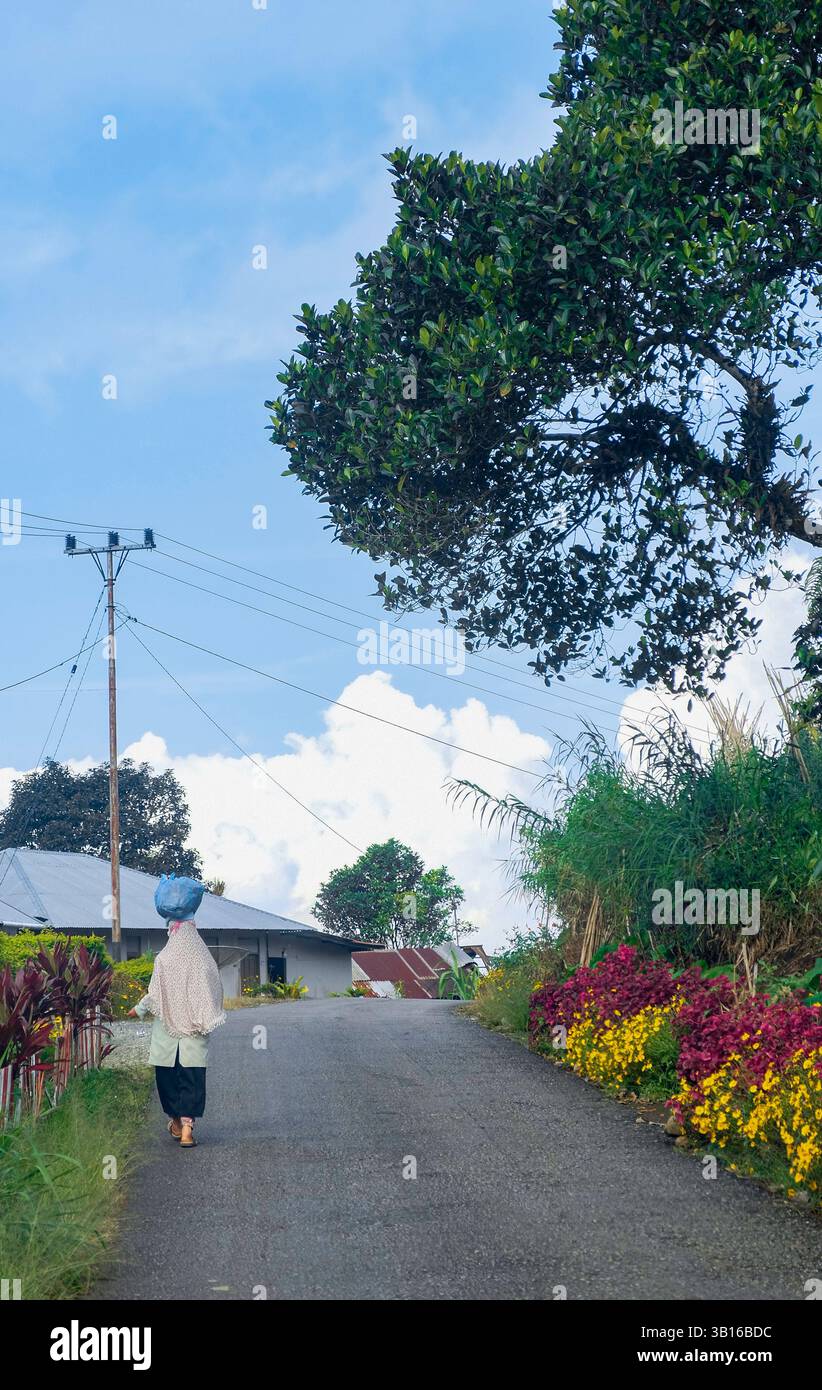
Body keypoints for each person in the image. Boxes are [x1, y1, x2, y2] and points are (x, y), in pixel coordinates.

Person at [128, 874, 225, 1148]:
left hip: (167, 1033)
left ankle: (175, 1120)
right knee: (192, 1080)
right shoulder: (203, 956)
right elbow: (214, 988)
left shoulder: (165, 957)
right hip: (195, 1030)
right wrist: (205, 1012)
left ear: (171, 928)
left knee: (168, 1080)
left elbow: (155, 993)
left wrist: (139, 1009)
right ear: (193, 924)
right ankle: (187, 1130)